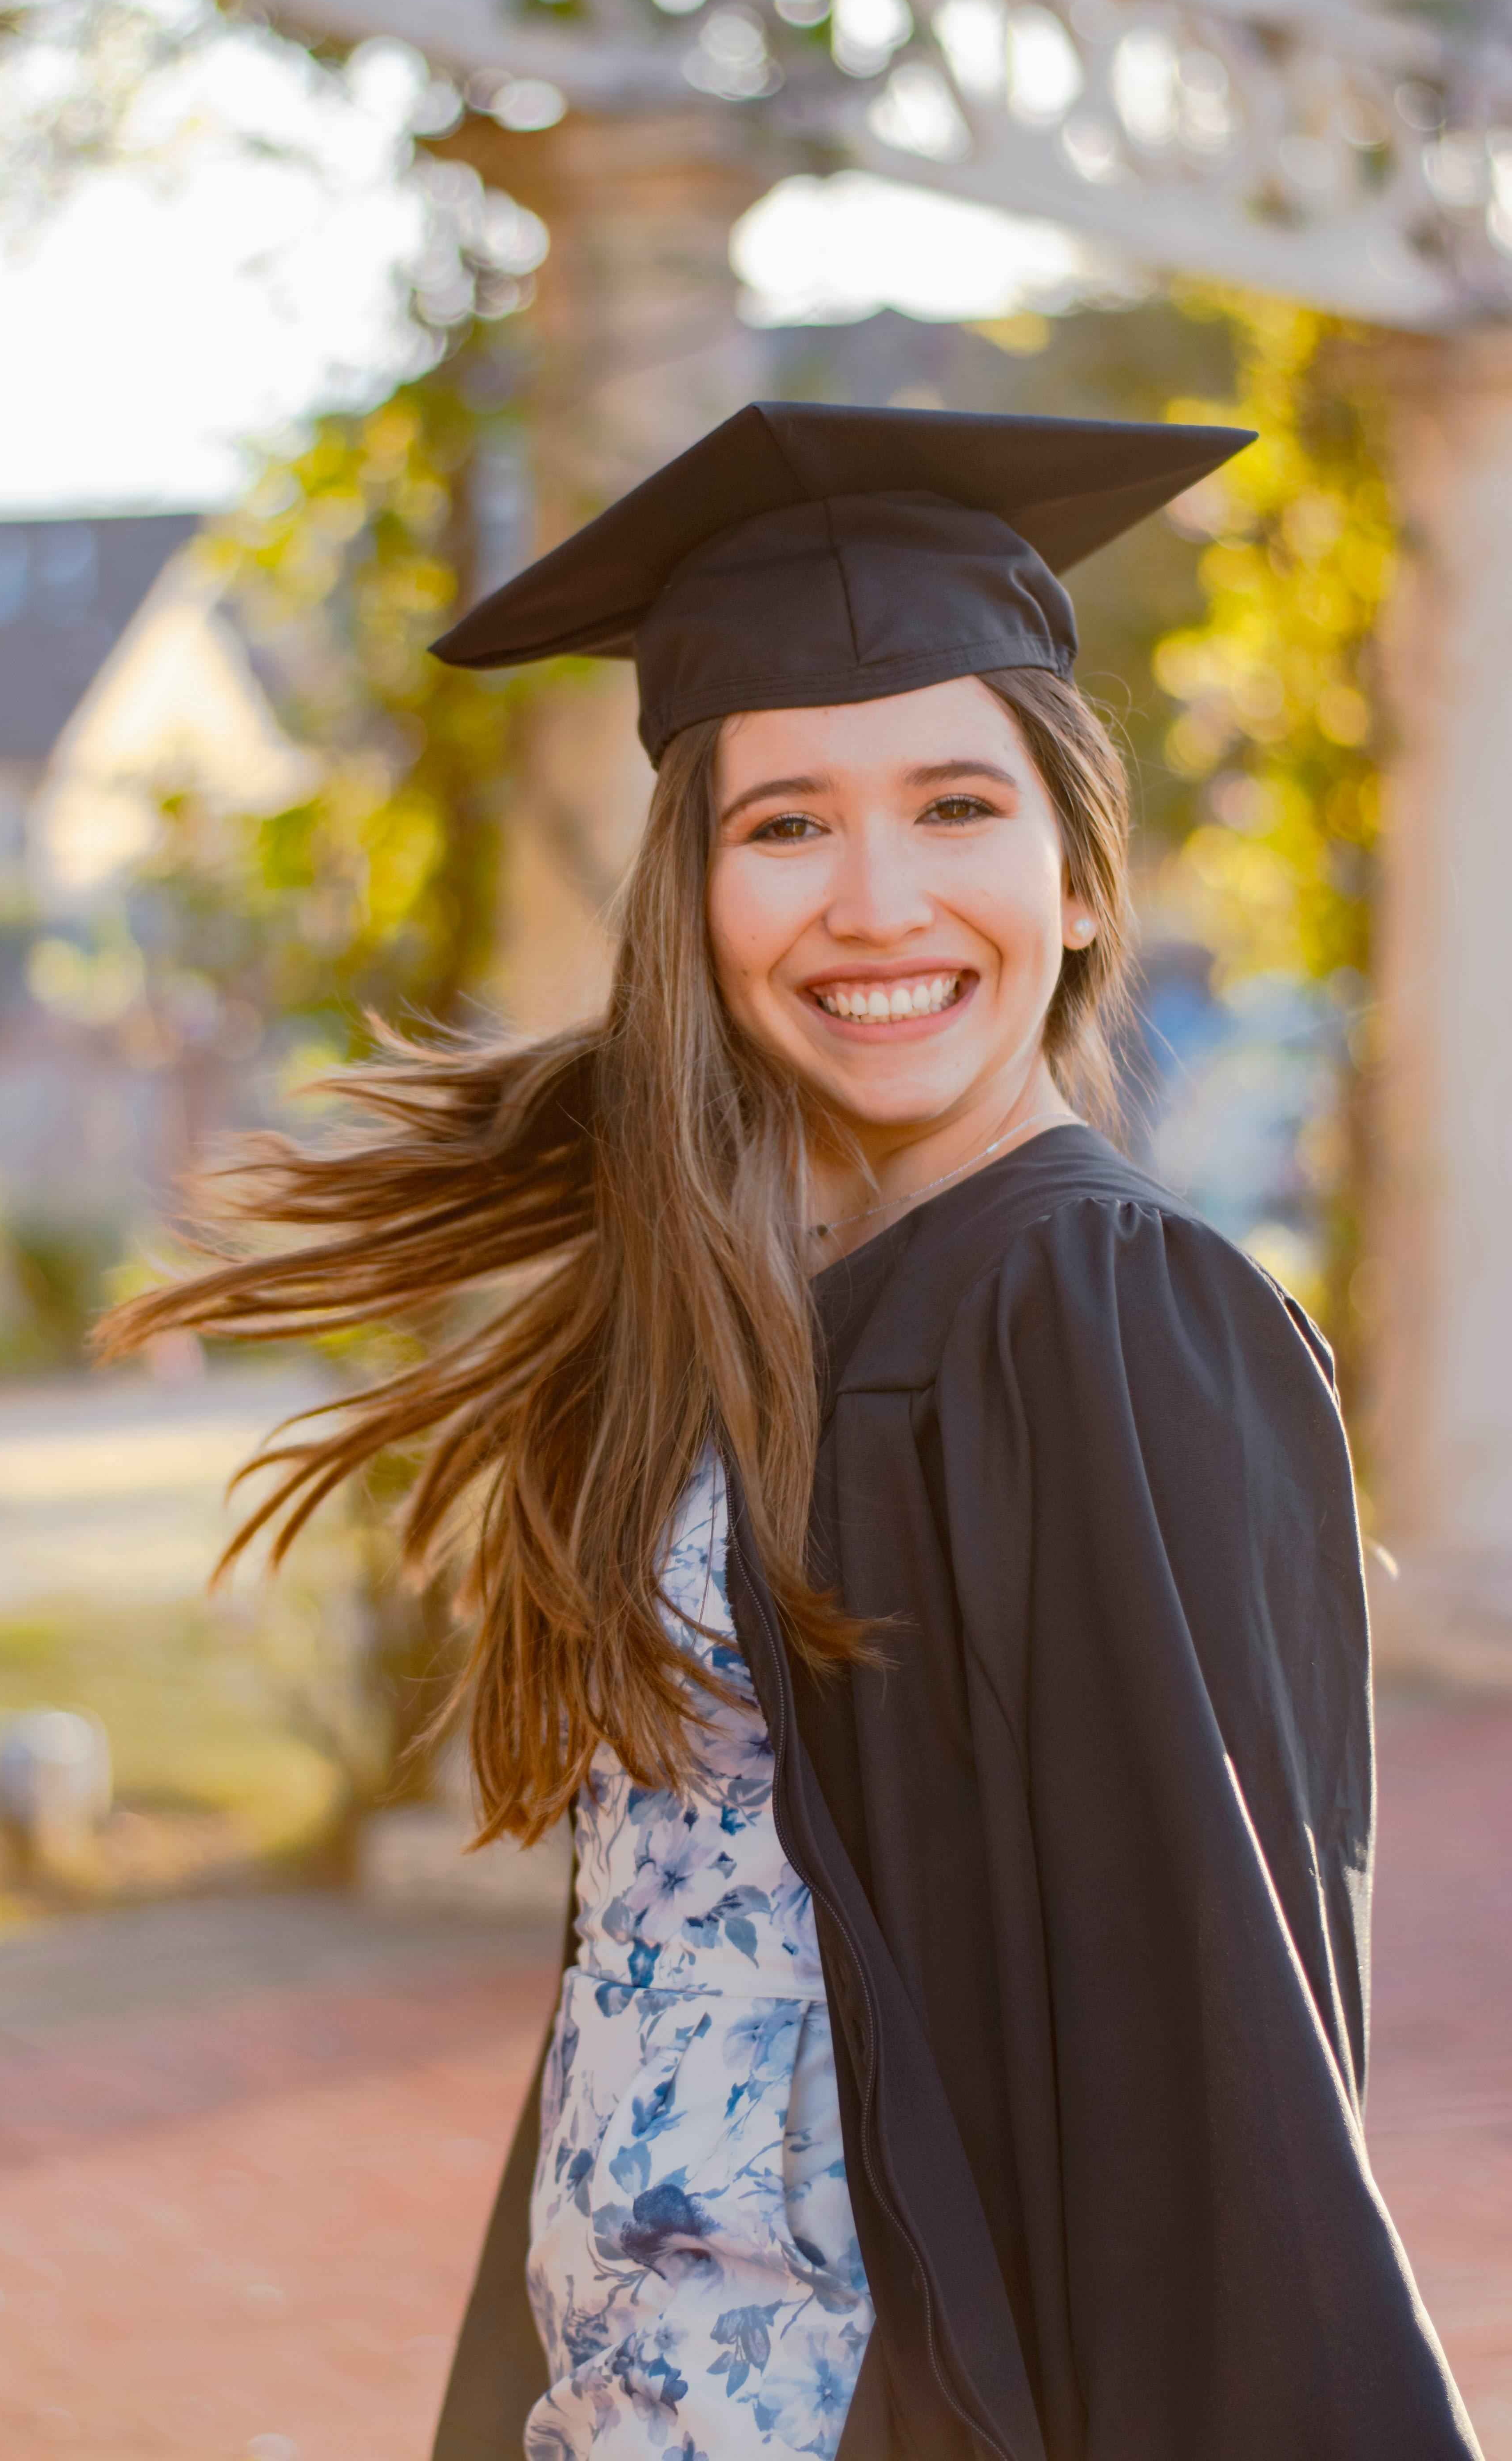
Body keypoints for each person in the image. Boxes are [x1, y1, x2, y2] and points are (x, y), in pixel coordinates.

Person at [104, 403, 1481, 2461]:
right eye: (784, 824)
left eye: (951, 805)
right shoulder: (763, 1306)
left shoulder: (1094, 1311)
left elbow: (1211, 2076)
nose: (873, 901)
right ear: (698, 894)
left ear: (1081, 875)